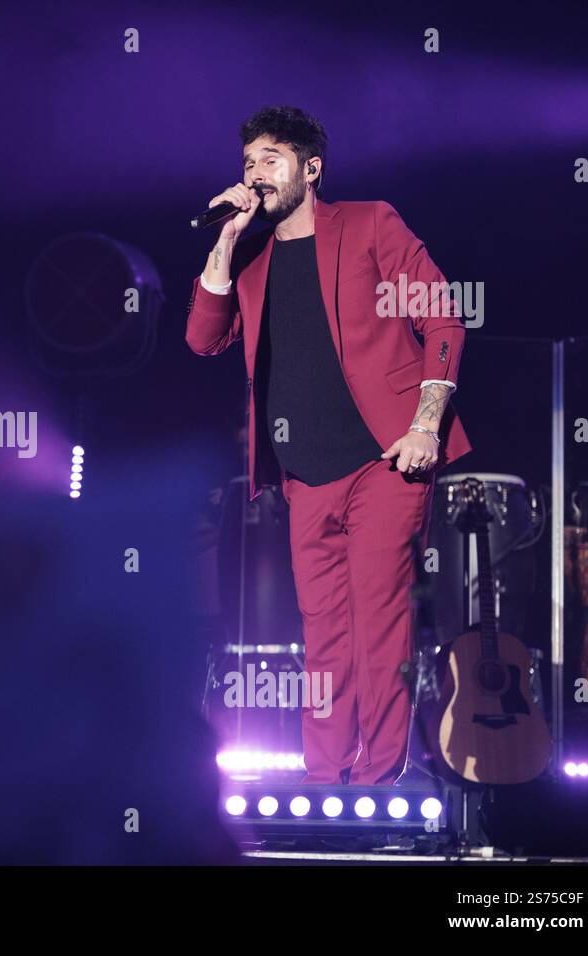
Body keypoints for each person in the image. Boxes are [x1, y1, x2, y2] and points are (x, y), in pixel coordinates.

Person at [185, 106, 472, 785]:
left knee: (377, 622)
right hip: (303, 474)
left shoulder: (371, 223)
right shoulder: (249, 259)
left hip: (384, 458)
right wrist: (224, 241)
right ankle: (324, 786)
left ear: (311, 168)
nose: (256, 172)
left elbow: (442, 313)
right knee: (323, 637)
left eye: (272, 158)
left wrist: (427, 422)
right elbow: (202, 339)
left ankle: (376, 783)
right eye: (248, 161)